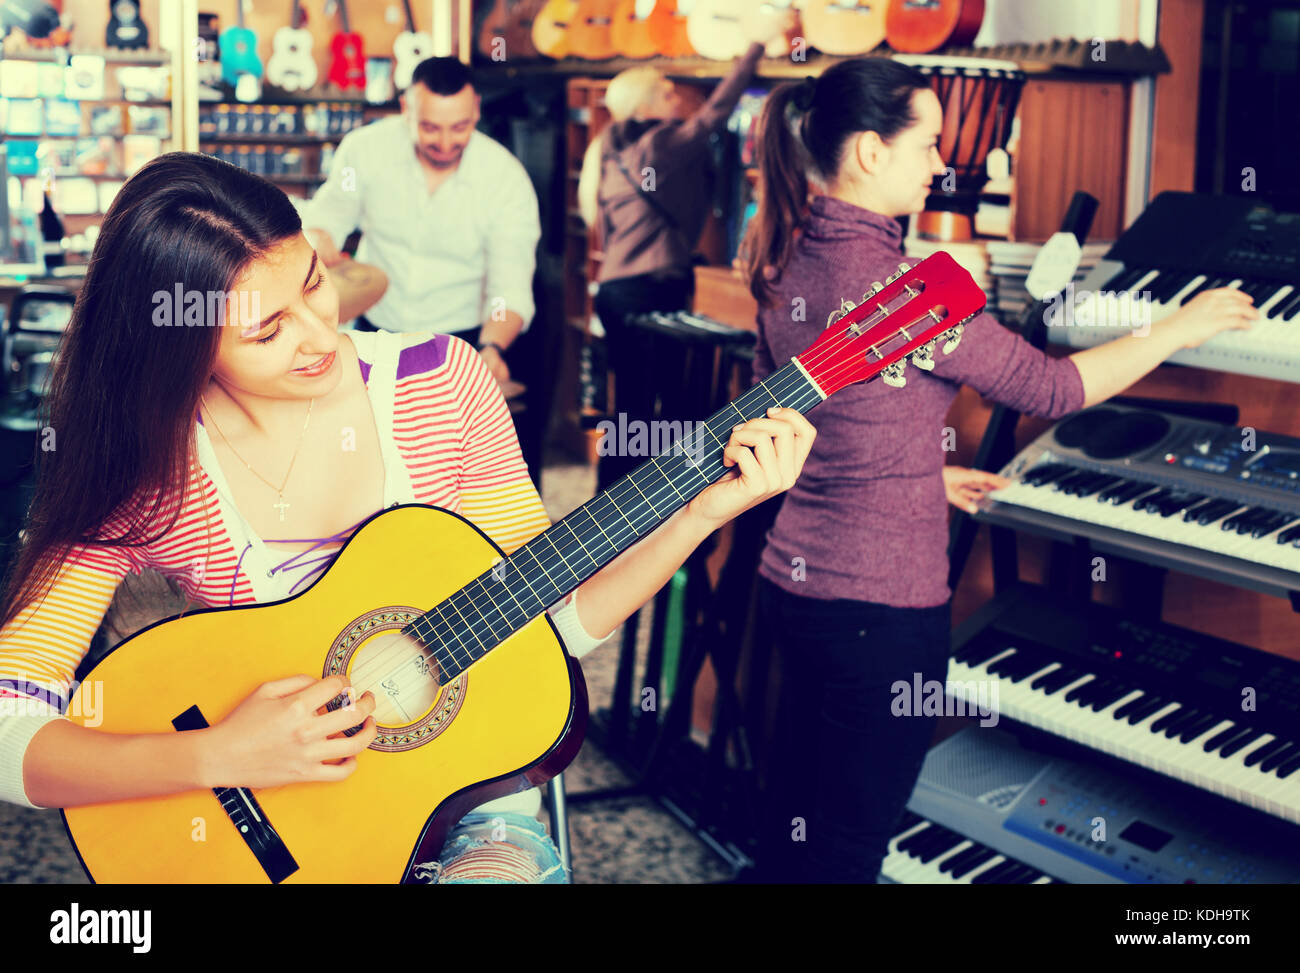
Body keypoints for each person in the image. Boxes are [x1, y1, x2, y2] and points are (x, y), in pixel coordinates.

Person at [0, 152, 817, 884]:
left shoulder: (442, 385)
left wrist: (707, 509)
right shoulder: (147, 464)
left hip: (471, 806)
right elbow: (10, 726)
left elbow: (556, 623)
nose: (322, 336)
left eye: (314, 283)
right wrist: (219, 752)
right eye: (267, 329)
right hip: (281, 826)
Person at [738, 60, 1258, 883]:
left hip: (797, 588)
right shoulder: (909, 291)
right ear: (872, 151)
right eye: (931, 142)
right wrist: (1174, 329)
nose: (941, 163)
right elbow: (1051, 387)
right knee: (847, 845)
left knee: (796, 820)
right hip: (880, 609)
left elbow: (815, 422)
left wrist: (918, 476)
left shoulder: (787, 258)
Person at [578, 8, 792, 489]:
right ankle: (648, 508)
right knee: (664, 408)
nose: (676, 97)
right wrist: (754, 46)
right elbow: (716, 114)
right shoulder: (660, 146)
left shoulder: (610, 147)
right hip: (650, 291)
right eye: (667, 91)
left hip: (616, 291)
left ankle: (609, 507)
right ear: (647, 99)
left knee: (631, 405)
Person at [301, 57, 536, 385]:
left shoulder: (506, 179)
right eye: (430, 127)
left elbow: (508, 288)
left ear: (477, 110)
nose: (444, 143)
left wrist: (493, 346)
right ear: (405, 109)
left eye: (459, 127)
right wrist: (318, 235)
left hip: (459, 341)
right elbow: (332, 212)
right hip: (375, 332)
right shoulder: (363, 150)